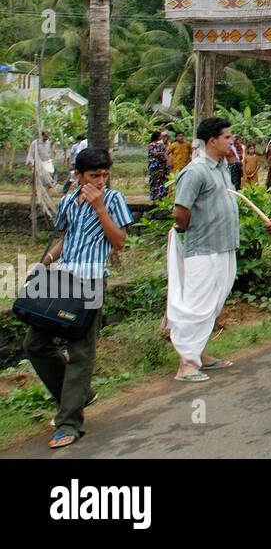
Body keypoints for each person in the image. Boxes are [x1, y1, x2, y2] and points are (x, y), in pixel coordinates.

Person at [24, 146, 130, 449]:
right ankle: (78, 396)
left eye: (104, 175)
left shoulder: (113, 200)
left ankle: (69, 421)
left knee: (81, 352)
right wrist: (44, 262)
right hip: (61, 279)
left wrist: (99, 209)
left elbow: (119, 242)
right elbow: (67, 238)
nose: (100, 181)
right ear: (78, 175)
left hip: (91, 280)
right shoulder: (69, 201)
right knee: (34, 344)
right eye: (94, 175)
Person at [170, 118, 271, 383]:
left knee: (214, 302)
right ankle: (186, 363)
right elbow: (180, 210)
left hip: (224, 246)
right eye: (227, 137)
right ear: (212, 141)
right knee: (198, 304)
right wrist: (189, 228)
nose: (231, 141)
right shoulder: (196, 170)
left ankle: (200, 354)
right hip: (203, 249)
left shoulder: (223, 167)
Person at [147, 131, 171, 202]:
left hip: (162, 165)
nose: (161, 137)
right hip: (154, 166)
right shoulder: (151, 145)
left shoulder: (161, 144)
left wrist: (167, 160)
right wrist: (162, 153)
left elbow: (165, 152)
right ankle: (153, 197)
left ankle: (160, 196)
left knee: (161, 181)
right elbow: (154, 153)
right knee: (154, 181)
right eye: (160, 136)